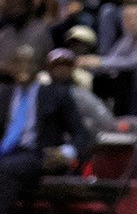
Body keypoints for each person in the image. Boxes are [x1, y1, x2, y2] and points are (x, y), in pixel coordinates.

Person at [0, 46, 90, 214]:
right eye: (19, 62)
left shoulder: (56, 94)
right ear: (12, 67)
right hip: (6, 152)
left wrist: (66, 152)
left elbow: (82, 134)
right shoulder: (4, 95)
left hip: (39, 153)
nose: (23, 67)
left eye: (29, 62)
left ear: (40, 66)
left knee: (6, 168)